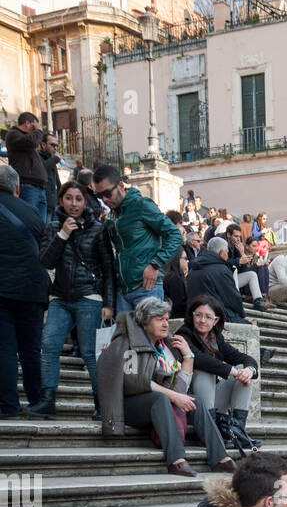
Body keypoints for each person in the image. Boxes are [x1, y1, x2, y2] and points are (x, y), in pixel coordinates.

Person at [97, 297, 234, 476]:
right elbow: (132, 382)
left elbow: (180, 389)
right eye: (159, 319)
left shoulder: (166, 346)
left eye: (166, 319)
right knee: (160, 398)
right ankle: (176, 460)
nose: (165, 324)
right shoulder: (127, 342)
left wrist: (188, 357)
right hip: (128, 405)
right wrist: (172, 395)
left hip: (160, 405)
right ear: (144, 321)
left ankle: (220, 457)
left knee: (196, 401)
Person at [30, 178, 115, 420]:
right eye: (69, 198)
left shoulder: (98, 229)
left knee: (90, 353)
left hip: (90, 296)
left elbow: (108, 268)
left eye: (78, 199)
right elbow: (45, 261)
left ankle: (101, 404)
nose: (74, 203)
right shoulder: (52, 226)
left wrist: (109, 303)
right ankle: (48, 400)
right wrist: (63, 234)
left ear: (85, 201)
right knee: (49, 345)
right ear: (61, 200)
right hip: (60, 297)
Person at [92, 164, 182, 312]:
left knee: (147, 335)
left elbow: (174, 235)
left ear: (121, 185)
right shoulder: (112, 215)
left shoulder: (141, 205)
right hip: (123, 291)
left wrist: (155, 265)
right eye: (99, 195)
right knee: (126, 336)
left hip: (146, 288)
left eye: (107, 193)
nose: (104, 199)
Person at [176, 293, 258, 454]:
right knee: (205, 370)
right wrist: (232, 371)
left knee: (244, 371)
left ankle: (236, 430)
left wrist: (248, 370)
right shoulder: (184, 334)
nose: (202, 320)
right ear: (191, 316)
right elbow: (199, 359)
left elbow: (244, 358)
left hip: (213, 403)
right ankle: (209, 432)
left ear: (216, 320)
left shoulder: (215, 339)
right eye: (198, 315)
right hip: (191, 405)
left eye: (208, 317)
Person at [0, 162, 48, 417]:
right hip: (32, 290)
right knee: (31, 349)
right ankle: (37, 402)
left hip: (2, 290)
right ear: (17, 188)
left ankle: (8, 406)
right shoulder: (32, 212)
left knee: (5, 349)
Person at [186, 238, 248, 323]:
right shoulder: (222, 270)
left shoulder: (193, 268)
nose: (227, 255)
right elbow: (233, 297)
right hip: (217, 314)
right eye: (227, 252)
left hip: (194, 313)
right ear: (221, 253)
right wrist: (242, 314)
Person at [5, 112, 48, 221]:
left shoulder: (27, 139)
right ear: (28, 123)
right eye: (34, 126)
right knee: (29, 221)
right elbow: (32, 141)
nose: (36, 130)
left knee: (41, 225)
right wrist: (38, 131)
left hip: (39, 188)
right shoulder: (13, 135)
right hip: (28, 186)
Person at [39, 129, 62, 217]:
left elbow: (57, 182)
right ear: (43, 145)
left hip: (54, 205)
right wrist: (55, 159)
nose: (55, 148)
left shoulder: (52, 160)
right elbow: (41, 170)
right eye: (52, 145)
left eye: (57, 145)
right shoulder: (38, 157)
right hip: (45, 206)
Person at [163, 249, 189, 317]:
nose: (188, 261)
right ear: (177, 259)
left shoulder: (167, 276)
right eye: (185, 258)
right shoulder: (175, 279)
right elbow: (180, 306)